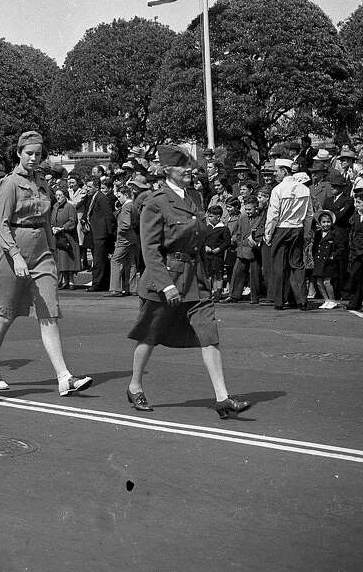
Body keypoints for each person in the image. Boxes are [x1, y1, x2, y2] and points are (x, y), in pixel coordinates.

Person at [124, 145, 251, 419]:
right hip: (167, 277)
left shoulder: (194, 197)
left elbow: (198, 234)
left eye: (190, 165)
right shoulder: (155, 201)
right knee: (151, 333)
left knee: (208, 334)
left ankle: (222, 397)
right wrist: (165, 284)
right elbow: (150, 249)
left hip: (196, 277)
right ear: (168, 170)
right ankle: (135, 385)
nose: (189, 170)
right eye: (182, 166)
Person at [0, 131, 92, 398]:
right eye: (29, 153)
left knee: (49, 311)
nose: (34, 158)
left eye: (38, 154)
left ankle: (64, 376)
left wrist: (51, 252)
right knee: (5, 313)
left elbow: (44, 219)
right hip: (14, 249)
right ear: (19, 153)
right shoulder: (9, 184)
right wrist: (16, 256)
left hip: (41, 249)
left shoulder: (42, 182)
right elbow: (0, 225)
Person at [263, 158, 313, 309]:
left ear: (284, 171)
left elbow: (273, 215)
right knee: (297, 265)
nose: (274, 174)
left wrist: (268, 234)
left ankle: (279, 301)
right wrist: (306, 232)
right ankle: (302, 300)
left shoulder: (277, 189)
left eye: (276, 171)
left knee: (279, 266)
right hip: (298, 228)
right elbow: (309, 214)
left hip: (282, 228)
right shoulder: (304, 189)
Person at [311, 210, 346, 308]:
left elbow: (341, 248)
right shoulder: (317, 234)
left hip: (329, 262)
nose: (326, 224)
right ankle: (326, 300)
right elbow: (314, 247)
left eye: (328, 222)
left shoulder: (335, 233)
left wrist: (333, 256)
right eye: (323, 222)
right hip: (318, 260)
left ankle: (332, 300)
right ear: (320, 223)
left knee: (327, 282)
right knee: (318, 282)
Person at [50, 187, 80, 290]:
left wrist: (62, 228)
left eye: (60, 195)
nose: (58, 197)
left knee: (69, 259)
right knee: (61, 260)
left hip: (68, 236)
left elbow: (73, 221)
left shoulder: (70, 206)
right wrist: (52, 227)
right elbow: (51, 220)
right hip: (58, 237)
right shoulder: (55, 206)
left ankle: (71, 281)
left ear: (65, 196)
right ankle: (64, 281)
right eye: (56, 195)